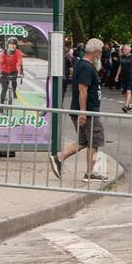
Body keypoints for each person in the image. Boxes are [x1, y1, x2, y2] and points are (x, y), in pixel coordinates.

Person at [50, 37, 107, 182]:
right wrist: (83, 111)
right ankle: (89, 173)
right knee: (94, 141)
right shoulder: (86, 67)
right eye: (100, 52)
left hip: (85, 111)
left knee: (84, 141)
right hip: (87, 112)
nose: (100, 55)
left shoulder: (83, 65)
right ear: (95, 52)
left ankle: (59, 158)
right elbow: (83, 89)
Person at [0, 39, 23, 106]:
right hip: (4, 72)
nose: (12, 46)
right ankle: (1, 107)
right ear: (8, 45)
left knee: (14, 83)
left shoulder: (18, 52)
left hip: (13, 71)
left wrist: (21, 73)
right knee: (4, 89)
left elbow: (20, 63)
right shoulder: (4, 53)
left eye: (14, 44)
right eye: (11, 44)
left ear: (16, 45)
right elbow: (0, 63)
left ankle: (14, 91)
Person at [117, 44, 132, 112]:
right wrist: (117, 76)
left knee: (128, 90)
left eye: (125, 49)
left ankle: (126, 105)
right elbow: (120, 66)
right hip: (123, 76)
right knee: (125, 91)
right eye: (123, 49)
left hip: (130, 76)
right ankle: (127, 105)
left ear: (129, 50)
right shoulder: (122, 57)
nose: (123, 50)